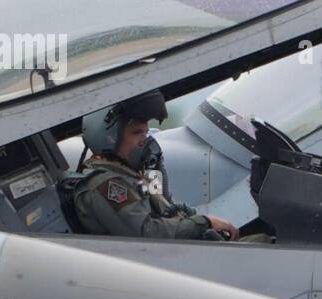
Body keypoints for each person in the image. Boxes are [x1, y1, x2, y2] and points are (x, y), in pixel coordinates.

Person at [71, 91, 238, 240]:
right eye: (137, 133)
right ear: (109, 138)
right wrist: (204, 223)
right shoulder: (106, 185)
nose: (145, 140)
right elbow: (149, 233)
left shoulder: (129, 174)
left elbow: (167, 209)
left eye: (146, 132)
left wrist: (200, 223)